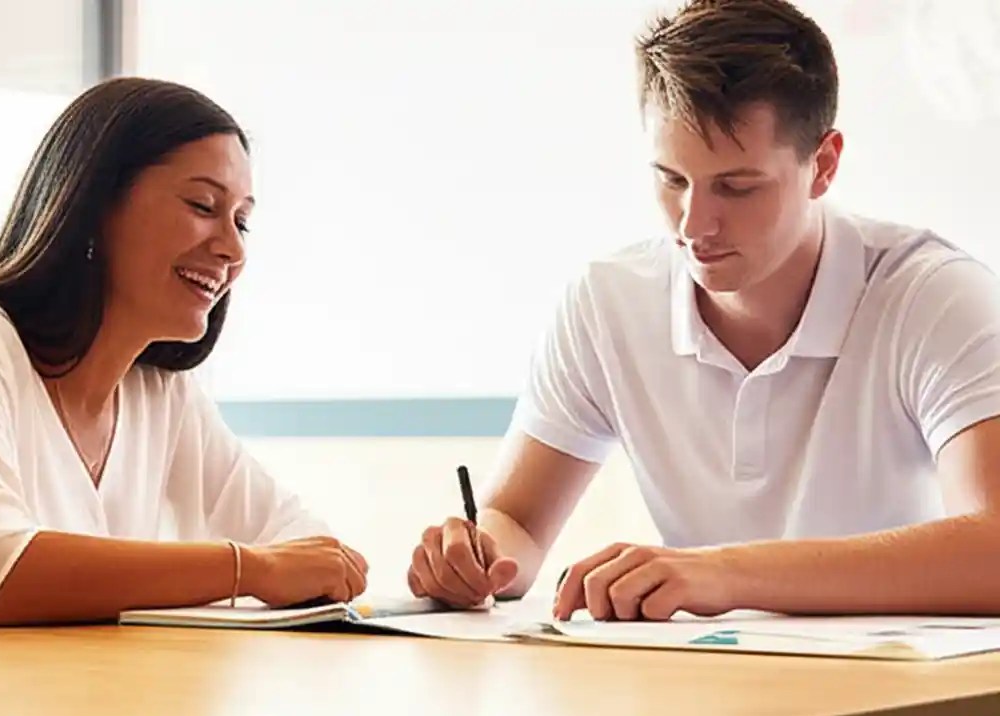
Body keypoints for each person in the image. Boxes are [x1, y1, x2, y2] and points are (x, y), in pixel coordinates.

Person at [408, 0, 1000, 621]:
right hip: (705, 671)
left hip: (895, 679)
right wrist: (476, 558)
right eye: (672, 180)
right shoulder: (608, 302)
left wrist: (723, 573)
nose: (694, 226)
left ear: (823, 165)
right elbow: (517, 525)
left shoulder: (934, 295)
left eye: (736, 188)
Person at [0, 78, 368, 640]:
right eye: (203, 206)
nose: (233, 248)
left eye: (241, 221)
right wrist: (248, 569)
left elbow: (300, 548)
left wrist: (377, 571)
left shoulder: (158, 391)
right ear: (95, 203)